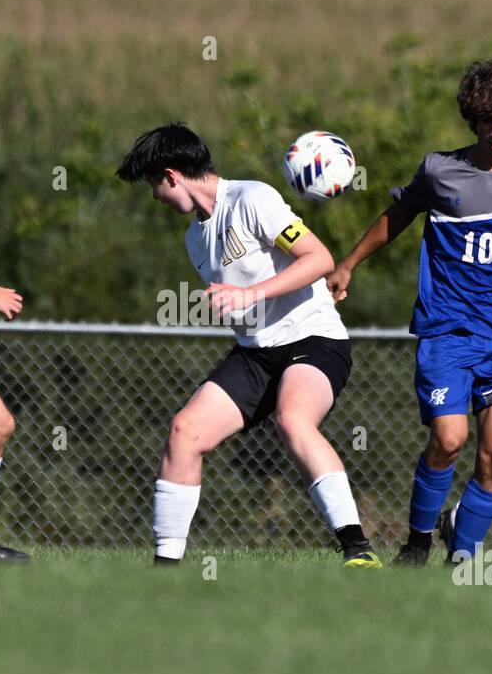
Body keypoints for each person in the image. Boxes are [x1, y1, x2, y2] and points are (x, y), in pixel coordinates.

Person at [115, 123, 381, 568]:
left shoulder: (251, 199)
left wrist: (249, 295)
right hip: (257, 351)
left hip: (312, 339)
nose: (156, 197)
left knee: (294, 419)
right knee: (185, 432)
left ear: (172, 175)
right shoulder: (194, 237)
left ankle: (358, 548)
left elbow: (319, 259)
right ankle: (163, 571)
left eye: (153, 186)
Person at [328, 57, 492, 565]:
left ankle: (463, 557)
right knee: (450, 439)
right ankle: (415, 543)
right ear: (471, 118)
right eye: (485, 121)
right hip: (447, 333)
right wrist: (348, 264)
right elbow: (398, 216)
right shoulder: (439, 170)